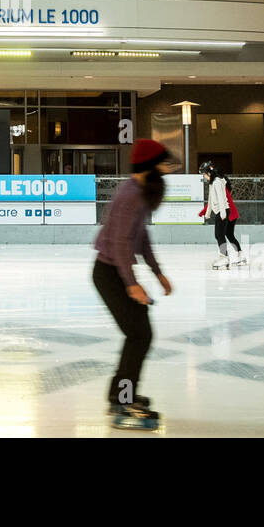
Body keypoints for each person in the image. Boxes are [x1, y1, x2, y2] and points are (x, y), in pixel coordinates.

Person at [92, 139, 174, 427]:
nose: (166, 172)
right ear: (148, 167)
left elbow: (140, 236)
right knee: (139, 335)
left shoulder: (137, 191)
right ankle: (123, 401)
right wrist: (131, 284)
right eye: (162, 166)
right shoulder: (131, 196)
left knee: (139, 334)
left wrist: (157, 271)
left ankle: (121, 395)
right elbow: (119, 243)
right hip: (109, 273)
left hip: (115, 271)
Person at [200, 162, 243, 268]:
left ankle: (224, 257)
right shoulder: (212, 183)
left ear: (208, 173)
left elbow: (221, 198)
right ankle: (224, 256)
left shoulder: (217, 182)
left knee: (220, 235)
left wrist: (223, 213)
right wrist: (208, 213)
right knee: (218, 235)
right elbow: (210, 200)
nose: (204, 177)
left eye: (204, 174)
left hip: (223, 211)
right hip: (220, 211)